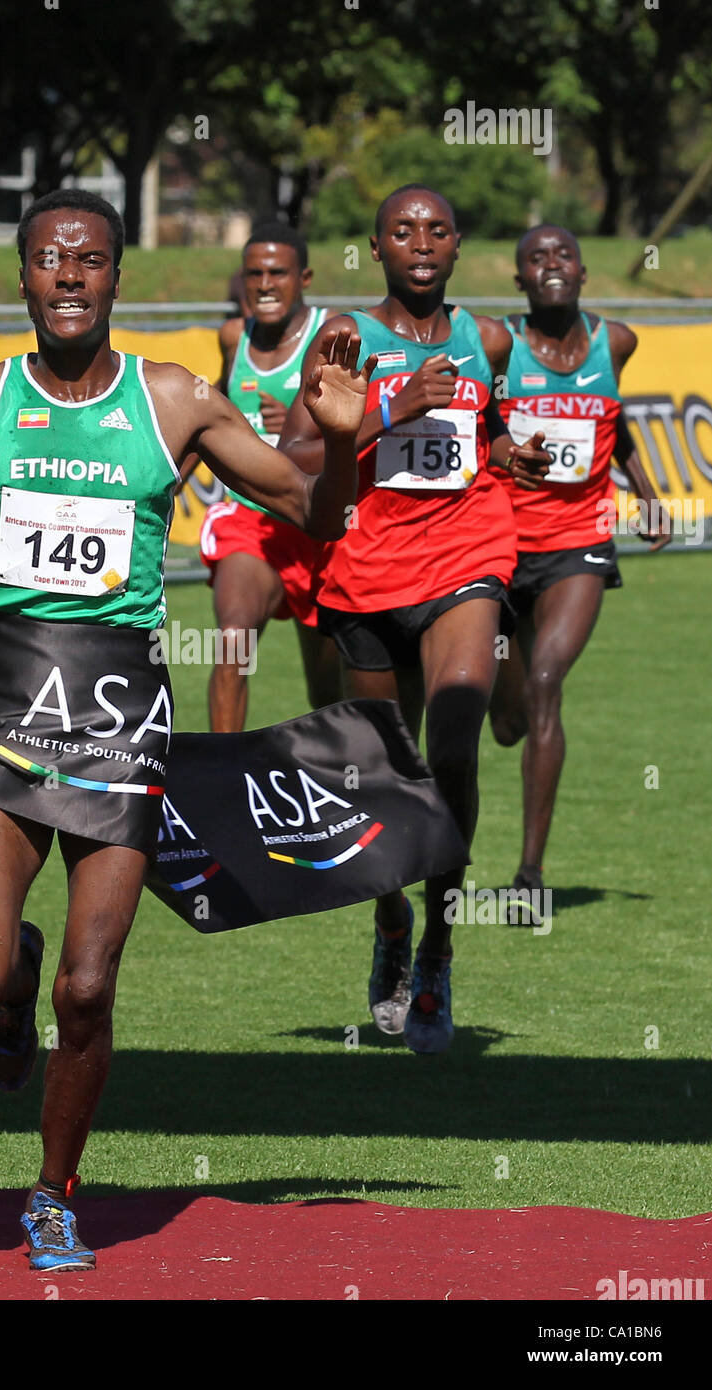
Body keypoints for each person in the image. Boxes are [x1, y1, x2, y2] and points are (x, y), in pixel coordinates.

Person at [0, 190, 372, 1273]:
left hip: (117, 725)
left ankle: (53, 1191)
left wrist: (338, 445)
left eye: (91, 259)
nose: (70, 275)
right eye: (51, 259)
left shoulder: (176, 402)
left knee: (91, 984)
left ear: (116, 278)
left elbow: (316, 513)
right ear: (23, 278)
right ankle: (9, 980)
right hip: (3, 716)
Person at [280, 184, 549, 1054]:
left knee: (454, 748)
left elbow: (489, 430)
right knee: (380, 779)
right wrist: (392, 411)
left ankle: (437, 944)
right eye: (402, 230)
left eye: (436, 227)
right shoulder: (344, 339)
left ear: (459, 243)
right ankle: (391, 921)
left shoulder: (489, 338)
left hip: (465, 559)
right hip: (363, 574)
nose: (420, 241)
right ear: (377, 247)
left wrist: (513, 452)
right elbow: (292, 457)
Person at [487, 224, 671, 908]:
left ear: (582, 271)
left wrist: (644, 493)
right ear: (519, 281)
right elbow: (479, 424)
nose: (550, 265)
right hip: (501, 543)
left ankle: (529, 874)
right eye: (535, 258)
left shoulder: (613, 342)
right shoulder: (498, 346)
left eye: (561, 255)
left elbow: (610, 422)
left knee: (543, 681)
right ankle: (499, 713)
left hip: (580, 541)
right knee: (505, 720)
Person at [196, 223, 341, 730]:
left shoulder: (336, 334)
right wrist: (168, 478)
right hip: (252, 524)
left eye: (277, 273)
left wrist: (304, 431)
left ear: (304, 277)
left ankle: (337, 791)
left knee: (329, 691)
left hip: (320, 529)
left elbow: (357, 435)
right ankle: (222, 779)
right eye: (253, 273)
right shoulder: (235, 336)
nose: (264, 284)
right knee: (233, 640)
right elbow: (210, 409)